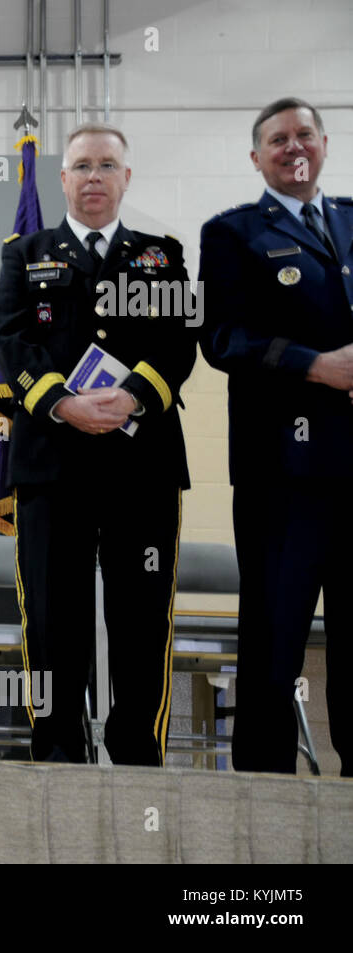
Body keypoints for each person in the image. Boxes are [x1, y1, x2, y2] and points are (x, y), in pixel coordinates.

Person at [0, 123, 197, 765]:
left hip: (143, 468)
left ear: (126, 178)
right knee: (54, 623)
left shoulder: (161, 255)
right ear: (62, 178)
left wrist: (135, 391)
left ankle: (139, 761)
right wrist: (62, 402)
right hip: (53, 467)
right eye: (81, 166)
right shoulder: (24, 253)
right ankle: (56, 756)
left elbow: (178, 343)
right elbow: (13, 338)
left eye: (107, 165)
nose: (93, 177)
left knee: (140, 621)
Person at [199, 97, 352, 777]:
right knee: (273, 640)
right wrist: (316, 366)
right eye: (278, 139)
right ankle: (260, 802)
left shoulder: (351, 219)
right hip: (281, 475)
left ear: (324, 144)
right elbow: (222, 339)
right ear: (256, 156)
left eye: (305, 135)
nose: (294, 147)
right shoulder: (232, 234)